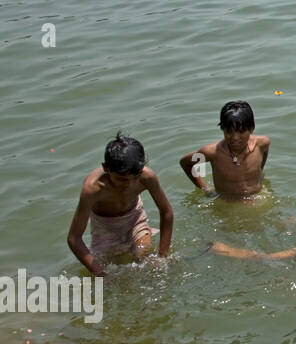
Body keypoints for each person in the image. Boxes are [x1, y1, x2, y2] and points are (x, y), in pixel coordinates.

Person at [66, 133, 174, 277]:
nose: (129, 184)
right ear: (106, 168)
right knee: (114, 274)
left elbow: (166, 212)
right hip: (105, 228)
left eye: (134, 178)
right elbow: (74, 238)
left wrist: (163, 256)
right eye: (121, 179)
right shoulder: (93, 189)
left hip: (135, 219)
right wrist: (99, 272)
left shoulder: (146, 177)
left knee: (145, 262)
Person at [178, 100, 270, 199]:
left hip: (257, 198)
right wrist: (204, 188)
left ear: (251, 128)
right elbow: (185, 163)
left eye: (241, 131)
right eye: (229, 132)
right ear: (222, 129)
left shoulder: (262, 144)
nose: (235, 137)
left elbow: (261, 163)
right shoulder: (212, 153)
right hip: (227, 203)